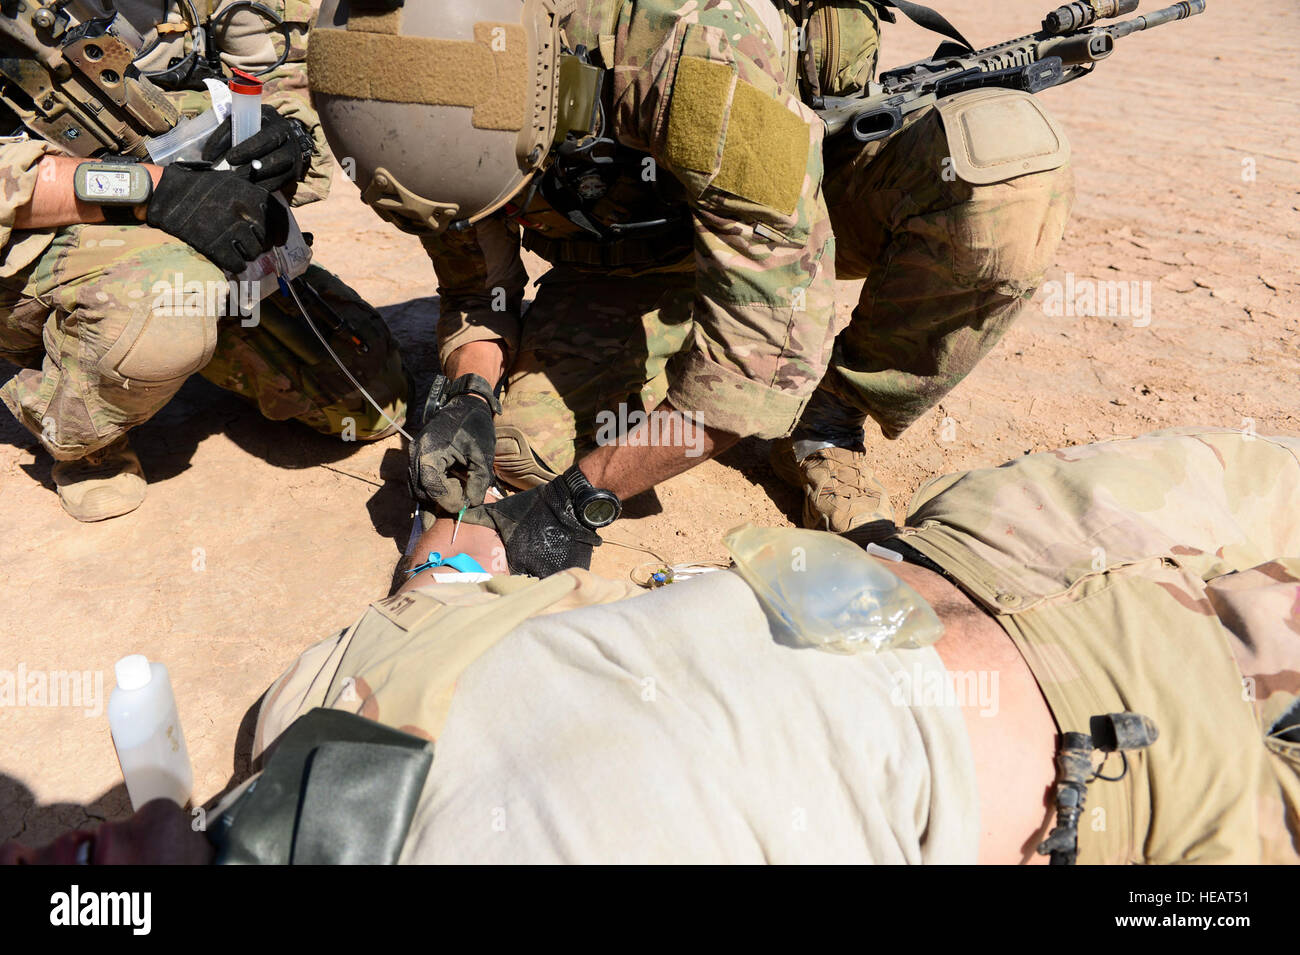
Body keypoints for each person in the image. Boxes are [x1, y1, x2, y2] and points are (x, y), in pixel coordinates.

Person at [5, 427, 1296, 864]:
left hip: (984, 547)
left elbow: (454, 566)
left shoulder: (317, 709)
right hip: (1154, 786)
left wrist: (481, 503)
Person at [307, 0, 1073, 576]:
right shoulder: (410, 80)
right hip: (632, 257)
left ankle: (829, 418)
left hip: (798, 197)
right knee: (521, 446)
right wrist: (469, 393)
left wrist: (578, 504)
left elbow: (755, 365)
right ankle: (680, 353)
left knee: (1006, 178)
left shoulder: (694, 44)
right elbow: (479, 290)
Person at [0, 0, 407, 522]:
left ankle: (161, 337)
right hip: (35, 233)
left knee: (370, 402)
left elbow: (282, 76)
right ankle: (81, 438)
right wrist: (152, 192)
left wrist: (284, 134)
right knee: (169, 299)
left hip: (182, 194)